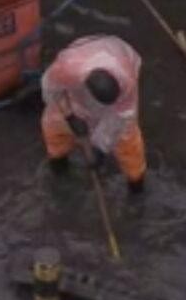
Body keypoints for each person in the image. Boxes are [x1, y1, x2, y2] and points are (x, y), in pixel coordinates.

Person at [40, 35, 146, 194]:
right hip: (78, 78)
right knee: (56, 125)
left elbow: (123, 116)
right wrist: (69, 116)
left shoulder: (127, 82)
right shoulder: (66, 70)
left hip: (117, 64)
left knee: (126, 138)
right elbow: (51, 91)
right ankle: (59, 165)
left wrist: (101, 149)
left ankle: (136, 184)